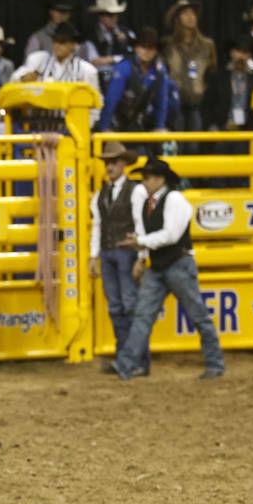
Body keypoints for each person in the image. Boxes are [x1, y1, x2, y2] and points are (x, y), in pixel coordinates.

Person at [111, 156, 226, 381]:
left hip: (177, 263)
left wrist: (141, 243)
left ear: (160, 179)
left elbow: (171, 235)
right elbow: (160, 235)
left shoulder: (175, 200)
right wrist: (142, 246)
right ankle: (126, 364)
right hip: (165, 265)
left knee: (196, 315)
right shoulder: (152, 202)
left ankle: (215, 363)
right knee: (144, 315)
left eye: (147, 177)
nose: (144, 182)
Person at [89, 142, 149, 376]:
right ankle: (126, 358)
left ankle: (136, 360)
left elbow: (140, 223)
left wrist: (141, 256)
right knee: (117, 307)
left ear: (123, 163)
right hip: (110, 252)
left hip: (125, 252)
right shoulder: (102, 194)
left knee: (129, 305)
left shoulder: (135, 191)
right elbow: (97, 225)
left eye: (114, 162)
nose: (109, 166)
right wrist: (94, 256)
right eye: (107, 163)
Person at [12, 22, 101, 118]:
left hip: (70, 126)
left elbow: (95, 101)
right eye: (55, 41)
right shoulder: (39, 60)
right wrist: (21, 80)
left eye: (62, 42)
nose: (58, 45)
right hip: (38, 123)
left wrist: (85, 126)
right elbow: (13, 80)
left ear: (73, 45)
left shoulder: (85, 69)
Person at [161, 0, 217, 147]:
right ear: (177, 19)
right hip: (175, 102)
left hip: (197, 103)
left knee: (193, 145)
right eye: (185, 13)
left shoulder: (207, 45)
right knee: (177, 145)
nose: (191, 17)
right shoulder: (168, 45)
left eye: (193, 13)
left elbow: (212, 72)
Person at [98, 26, 171, 136]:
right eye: (143, 47)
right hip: (117, 122)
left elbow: (162, 100)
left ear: (156, 50)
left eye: (151, 48)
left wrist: (159, 126)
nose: (146, 51)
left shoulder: (160, 71)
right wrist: (104, 127)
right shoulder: (124, 68)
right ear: (136, 47)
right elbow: (112, 98)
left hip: (139, 123)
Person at [204, 38, 253, 139]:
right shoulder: (218, 77)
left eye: (245, 52)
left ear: (250, 55)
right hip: (221, 131)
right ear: (231, 53)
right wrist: (212, 127)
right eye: (238, 51)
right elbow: (207, 105)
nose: (241, 56)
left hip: (247, 133)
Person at [83, 0, 134, 93]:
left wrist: (125, 42)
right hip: (100, 81)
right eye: (110, 15)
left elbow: (135, 55)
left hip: (125, 79)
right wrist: (117, 58)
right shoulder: (92, 36)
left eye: (116, 14)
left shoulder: (126, 33)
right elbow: (95, 61)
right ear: (101, 16)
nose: (114, 18)